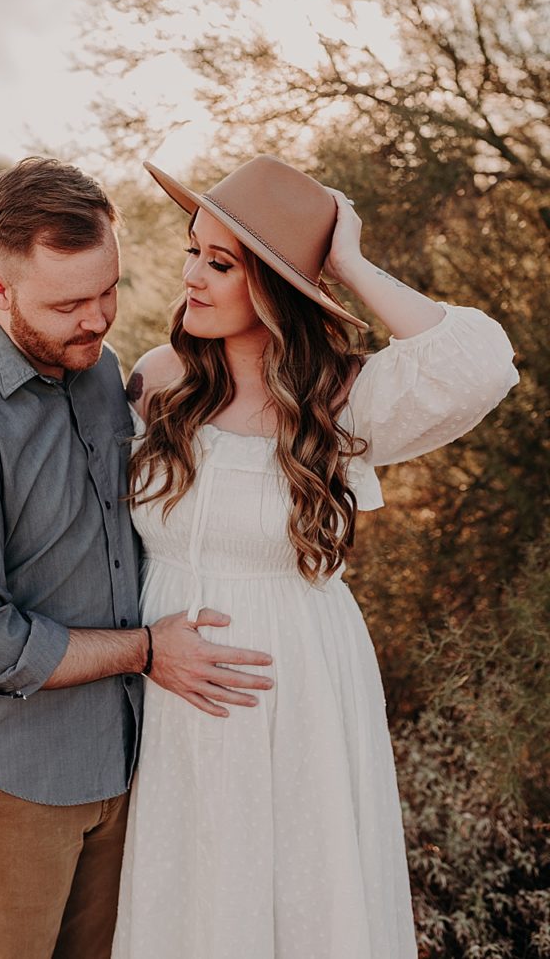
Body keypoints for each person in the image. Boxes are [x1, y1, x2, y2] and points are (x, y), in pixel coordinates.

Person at [112, 154, 518, 958]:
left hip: (294, 683)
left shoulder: (342, 398)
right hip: (168, 688)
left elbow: (481, 362)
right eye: (192, 250)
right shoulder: (159, 380)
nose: (191, 276)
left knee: (302, 897)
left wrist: (346, 261)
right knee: (188, 896)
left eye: (221, 263)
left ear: (272, 287)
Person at [0, 156, 275, 959]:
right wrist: (148, 651)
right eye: (68, 303)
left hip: (121, 764)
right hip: (4, 779)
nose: (96, 320)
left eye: (109, 292)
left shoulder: (99, 376)